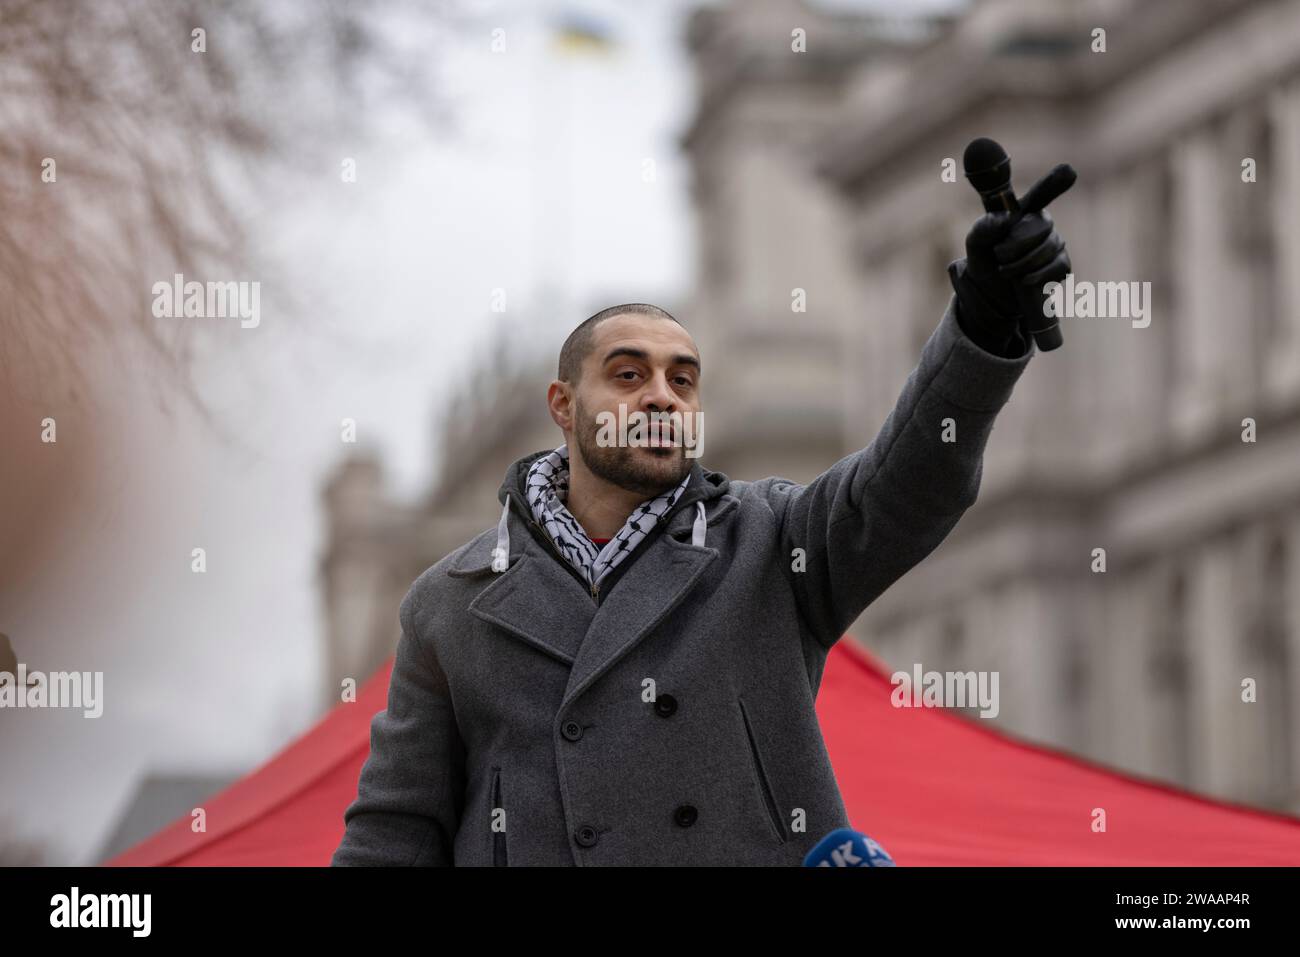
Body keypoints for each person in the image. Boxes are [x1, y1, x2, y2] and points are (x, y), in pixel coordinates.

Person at [331, 173, 1072, 866]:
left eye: (682, 380)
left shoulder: (770, 541)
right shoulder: (449, 602)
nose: (661, 397)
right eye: (629, 375)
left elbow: (904, 484)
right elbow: (392, 834)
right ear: (564, 406)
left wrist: (980, 323)